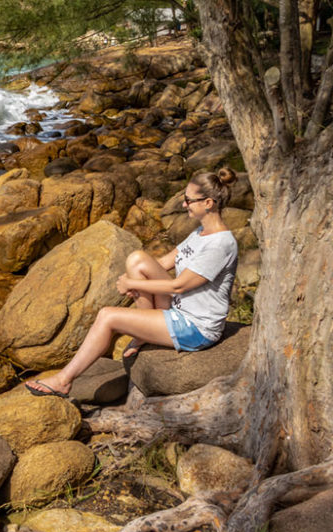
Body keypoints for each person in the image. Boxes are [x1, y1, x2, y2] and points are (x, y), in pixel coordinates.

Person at [24, 167, 239, 398]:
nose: (184, 205)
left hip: (195, 327)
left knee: (108, 316)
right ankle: (144, 333)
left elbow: (180, 286)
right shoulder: (200, 233)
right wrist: (133, 278)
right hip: (178, 310)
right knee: (136, 260)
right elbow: (165, 261)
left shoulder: (220, 244)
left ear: (208, 203)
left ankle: (63, 380)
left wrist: (134, 286)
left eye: (188, 200)